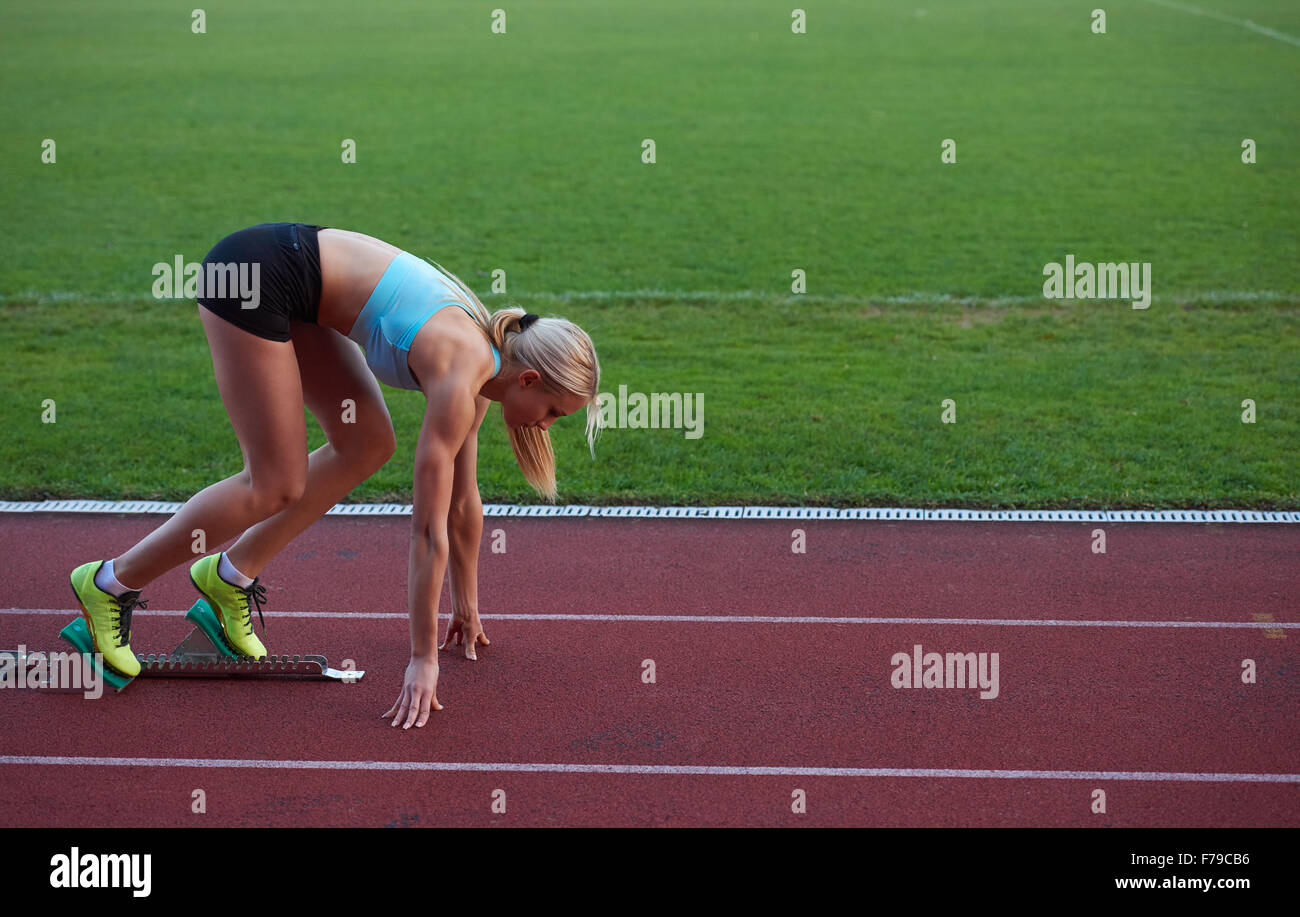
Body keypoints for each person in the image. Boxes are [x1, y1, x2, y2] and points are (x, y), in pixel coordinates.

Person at [68, 223, 601, 728]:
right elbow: (426, 529)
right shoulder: (465, 372)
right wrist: (421, 658)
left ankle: (229, 576)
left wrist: (467, 604)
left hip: (296, 290)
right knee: (274, 482)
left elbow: (463, 504)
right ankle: (110, 583)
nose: (547, 427)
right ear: (529, 378)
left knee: (366, 444)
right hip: (255, 276)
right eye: (554, 413)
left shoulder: (485, 369)